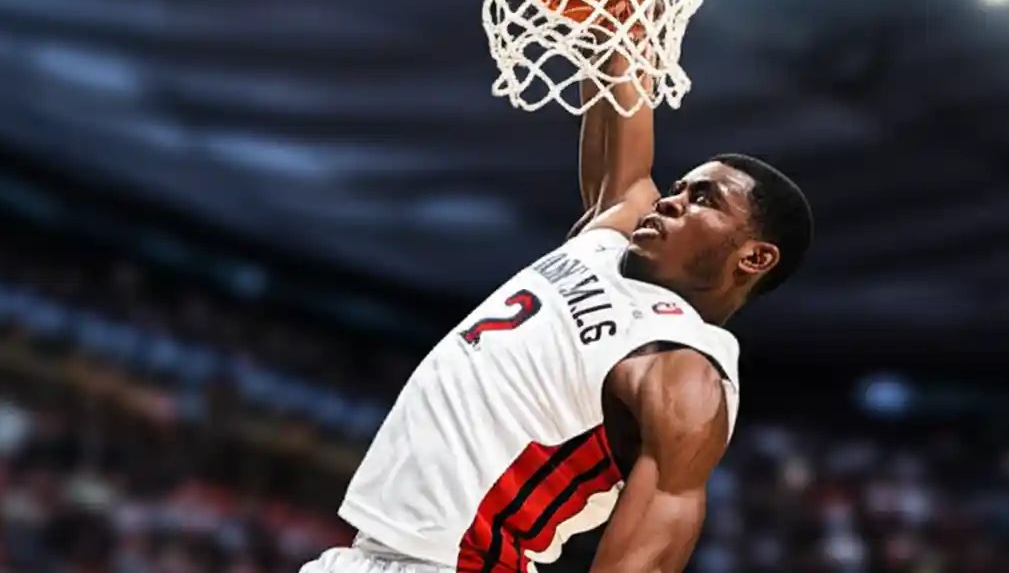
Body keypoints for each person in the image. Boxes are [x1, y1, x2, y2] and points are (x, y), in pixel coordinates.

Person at [300, 55, 813, 573]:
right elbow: (624, 113)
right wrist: (619, 16)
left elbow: (652, 551)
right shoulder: (608, 239)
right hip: (365, 554)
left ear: (754, 257)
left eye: (704, 199)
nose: (671, 201)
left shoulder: (683, 366)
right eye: (680, 187)